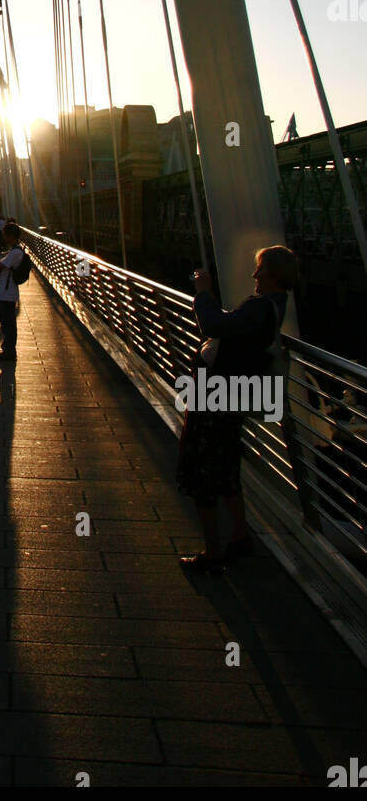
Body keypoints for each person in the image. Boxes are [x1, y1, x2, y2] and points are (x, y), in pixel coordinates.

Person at [176, 245, 298, 573]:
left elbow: (214, 326)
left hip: (217, 397)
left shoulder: (260, 307)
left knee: (201, 470)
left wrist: (203, 293)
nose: (254, 275)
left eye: (259, 270)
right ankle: (240, 535)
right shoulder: (274, 305)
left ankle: (213, 551)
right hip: (232, 397)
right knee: (227, 467)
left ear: (272, 275)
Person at [0, 221, 24, 364]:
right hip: (6, 292)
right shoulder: (15, 251)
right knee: (6, 323)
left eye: (5, 235)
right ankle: (7, 350)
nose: (3, 238)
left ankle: (9, 352)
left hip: (8, 293)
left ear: (10, 236)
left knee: (8, 324)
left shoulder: (16, 252)